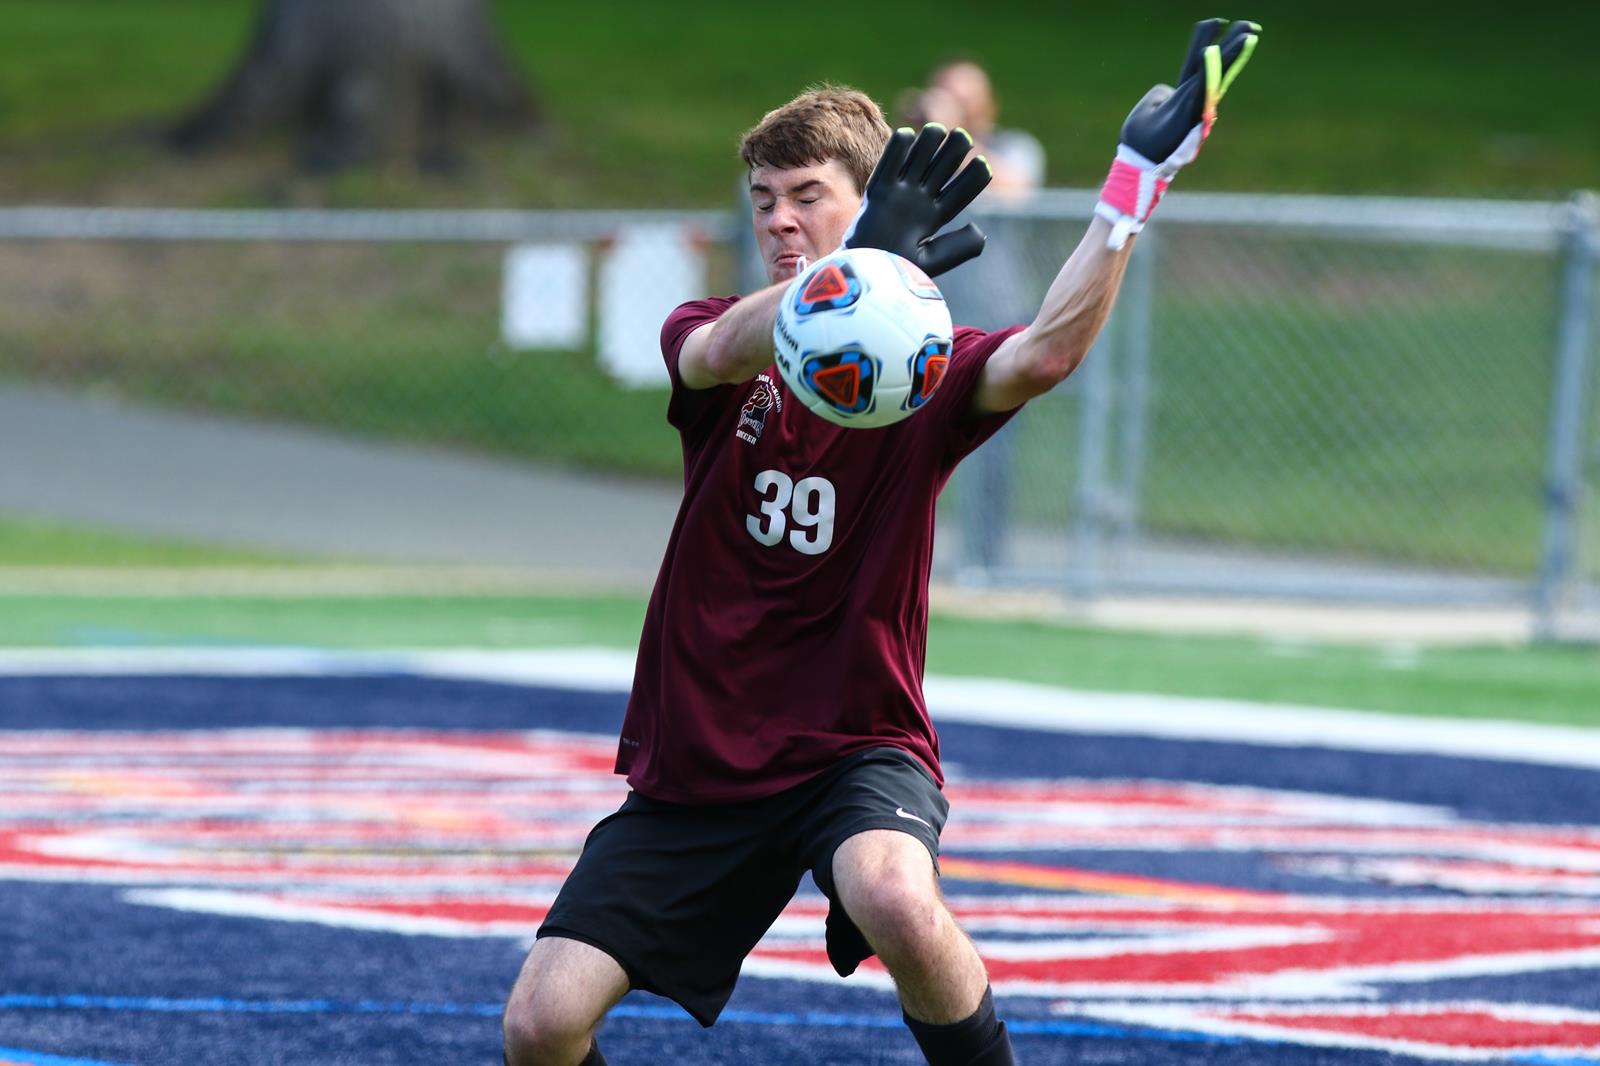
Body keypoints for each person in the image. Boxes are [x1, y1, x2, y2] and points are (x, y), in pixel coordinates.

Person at [502, 18, 1260, 1066]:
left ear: (864, 198)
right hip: (699, 757)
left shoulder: (926, 367)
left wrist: (1135, 180)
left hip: (854, 740)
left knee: (896, 895)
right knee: (540, 1025)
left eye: (807, 195)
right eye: (764, 198)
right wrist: (851, 267)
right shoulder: (717, 327)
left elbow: (1043, 354)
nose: (777, 218)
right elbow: (718, 348)